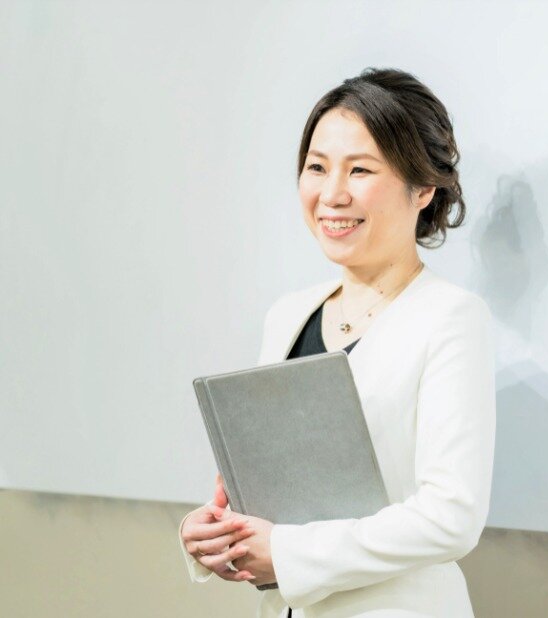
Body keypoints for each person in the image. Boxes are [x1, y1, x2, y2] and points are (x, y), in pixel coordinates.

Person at [179, 67, 496, 617]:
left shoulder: (450, 318)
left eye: (361, 169)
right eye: (317, 167)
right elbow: (283, 492)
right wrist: (214, 529)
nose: (332, 194)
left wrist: (286, 552)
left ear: (423, 188)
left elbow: (452, 518)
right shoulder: (288, 315)